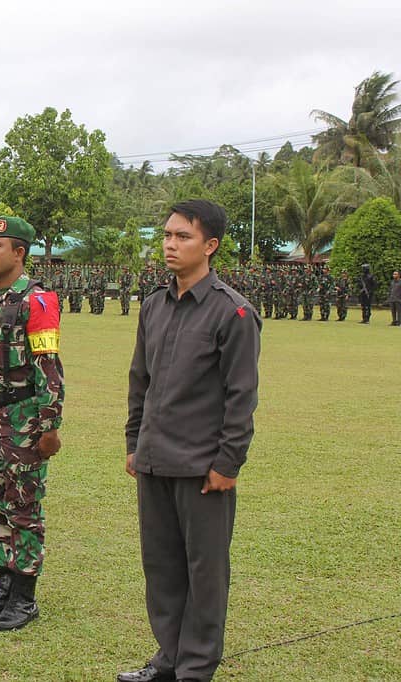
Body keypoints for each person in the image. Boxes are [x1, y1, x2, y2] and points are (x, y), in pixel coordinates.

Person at [120, 200, 260, 682]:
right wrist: (134, 442)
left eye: (183, 237)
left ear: (211, 245)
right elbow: (141, 379)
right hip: (155, 461)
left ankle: (195, 669)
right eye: (167, 235)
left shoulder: (233, 312)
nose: (170, 245)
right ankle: (168, 658)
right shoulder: (155, 305)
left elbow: (241, 397)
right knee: (161, 569)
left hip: (203, 468)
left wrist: (228, 463)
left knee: (205, 574)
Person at [0, 216, 64, 632]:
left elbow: (48, 367)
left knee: (23, 508)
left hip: (21, 421)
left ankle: (24, 596)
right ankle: (2, 587)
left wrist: (49, 425)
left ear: (20, 253)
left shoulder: (36, 301)